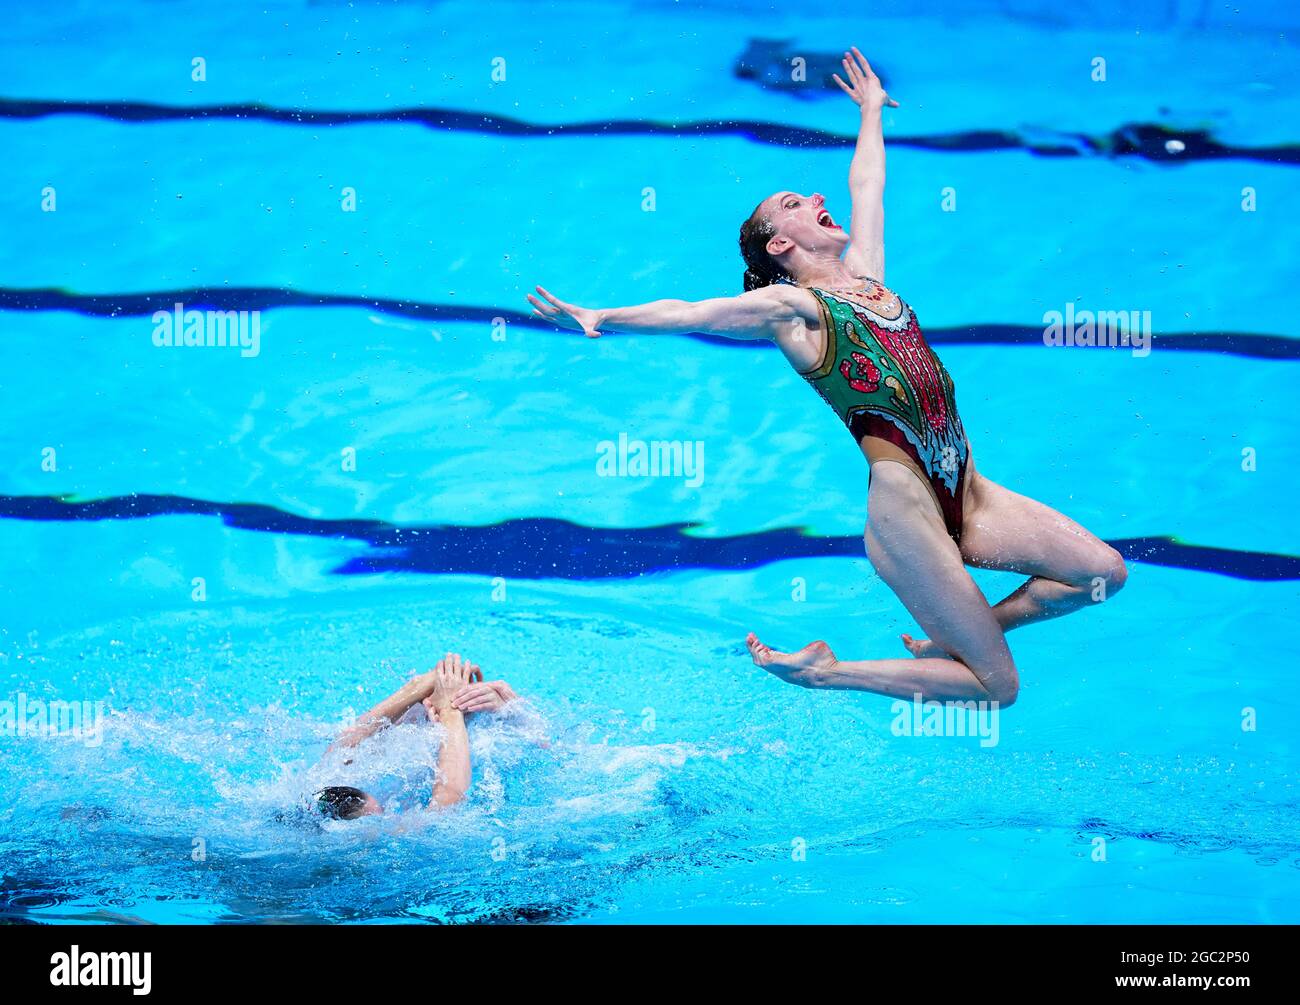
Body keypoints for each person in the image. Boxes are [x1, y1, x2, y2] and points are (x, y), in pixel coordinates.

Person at [526, 48, 1126, 709]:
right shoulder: (796, 312)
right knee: (996, 688)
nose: (816, 198)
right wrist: (600, 316)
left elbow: (867, 185)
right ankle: (824, 671)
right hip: (908, 513)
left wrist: (870, 112)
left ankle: (968, 634)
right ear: (780, 246)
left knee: (1101, 572)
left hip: (968, 489)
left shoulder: (868, 278)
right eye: (794, 203)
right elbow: (696, 312)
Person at [313, 652, 520, 819]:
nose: (385, 817)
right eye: (378, 816)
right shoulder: (388, 843)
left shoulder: (308, 813)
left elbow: (334, 759)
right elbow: (448, 802)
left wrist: (417, 688)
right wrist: (449, 709)